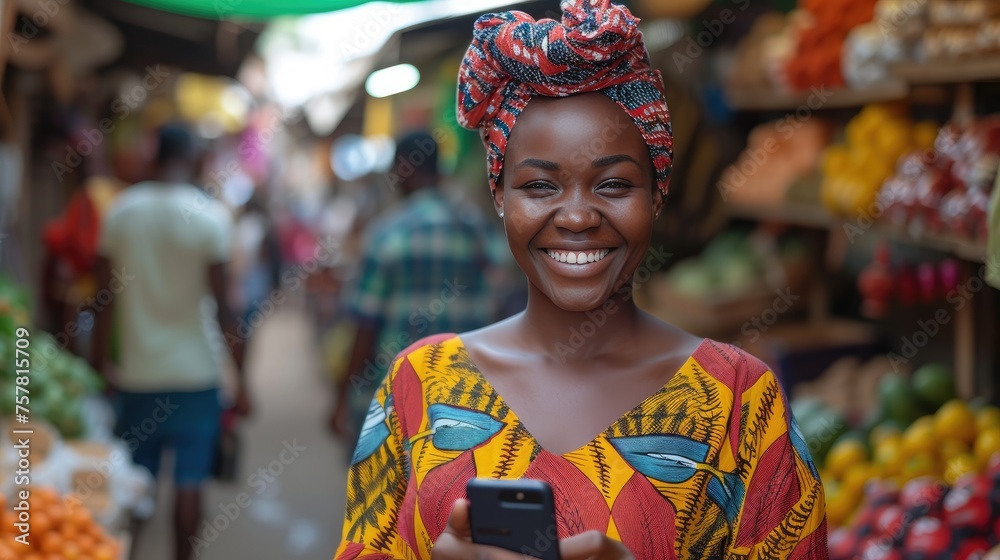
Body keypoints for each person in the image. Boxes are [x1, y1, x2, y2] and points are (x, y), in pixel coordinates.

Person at [333, 1, 828, 558]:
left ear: (657, 194)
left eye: (614, 184)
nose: (576, 216)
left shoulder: (739, 401)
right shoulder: (419, 386)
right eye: (540, 187)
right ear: (499, 196)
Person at [90, 123, 250, 560]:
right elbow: (224, 309)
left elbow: (102, 301)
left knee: (135, 485)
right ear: (194, 157)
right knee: (189, 483)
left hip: (138, 375)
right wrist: (242, 382)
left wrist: (100, 365)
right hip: (196, 375)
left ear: (154, 155)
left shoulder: (121, 212)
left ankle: (130, 551)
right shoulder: (209, 217)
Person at [329, 130, 508, 446]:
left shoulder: (388, 234)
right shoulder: (478, 229)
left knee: (391, 491)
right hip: (467, 400)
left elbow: (365, 325)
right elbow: (504, 299)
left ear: (402, 169)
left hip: (399, 399)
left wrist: (342, 398)